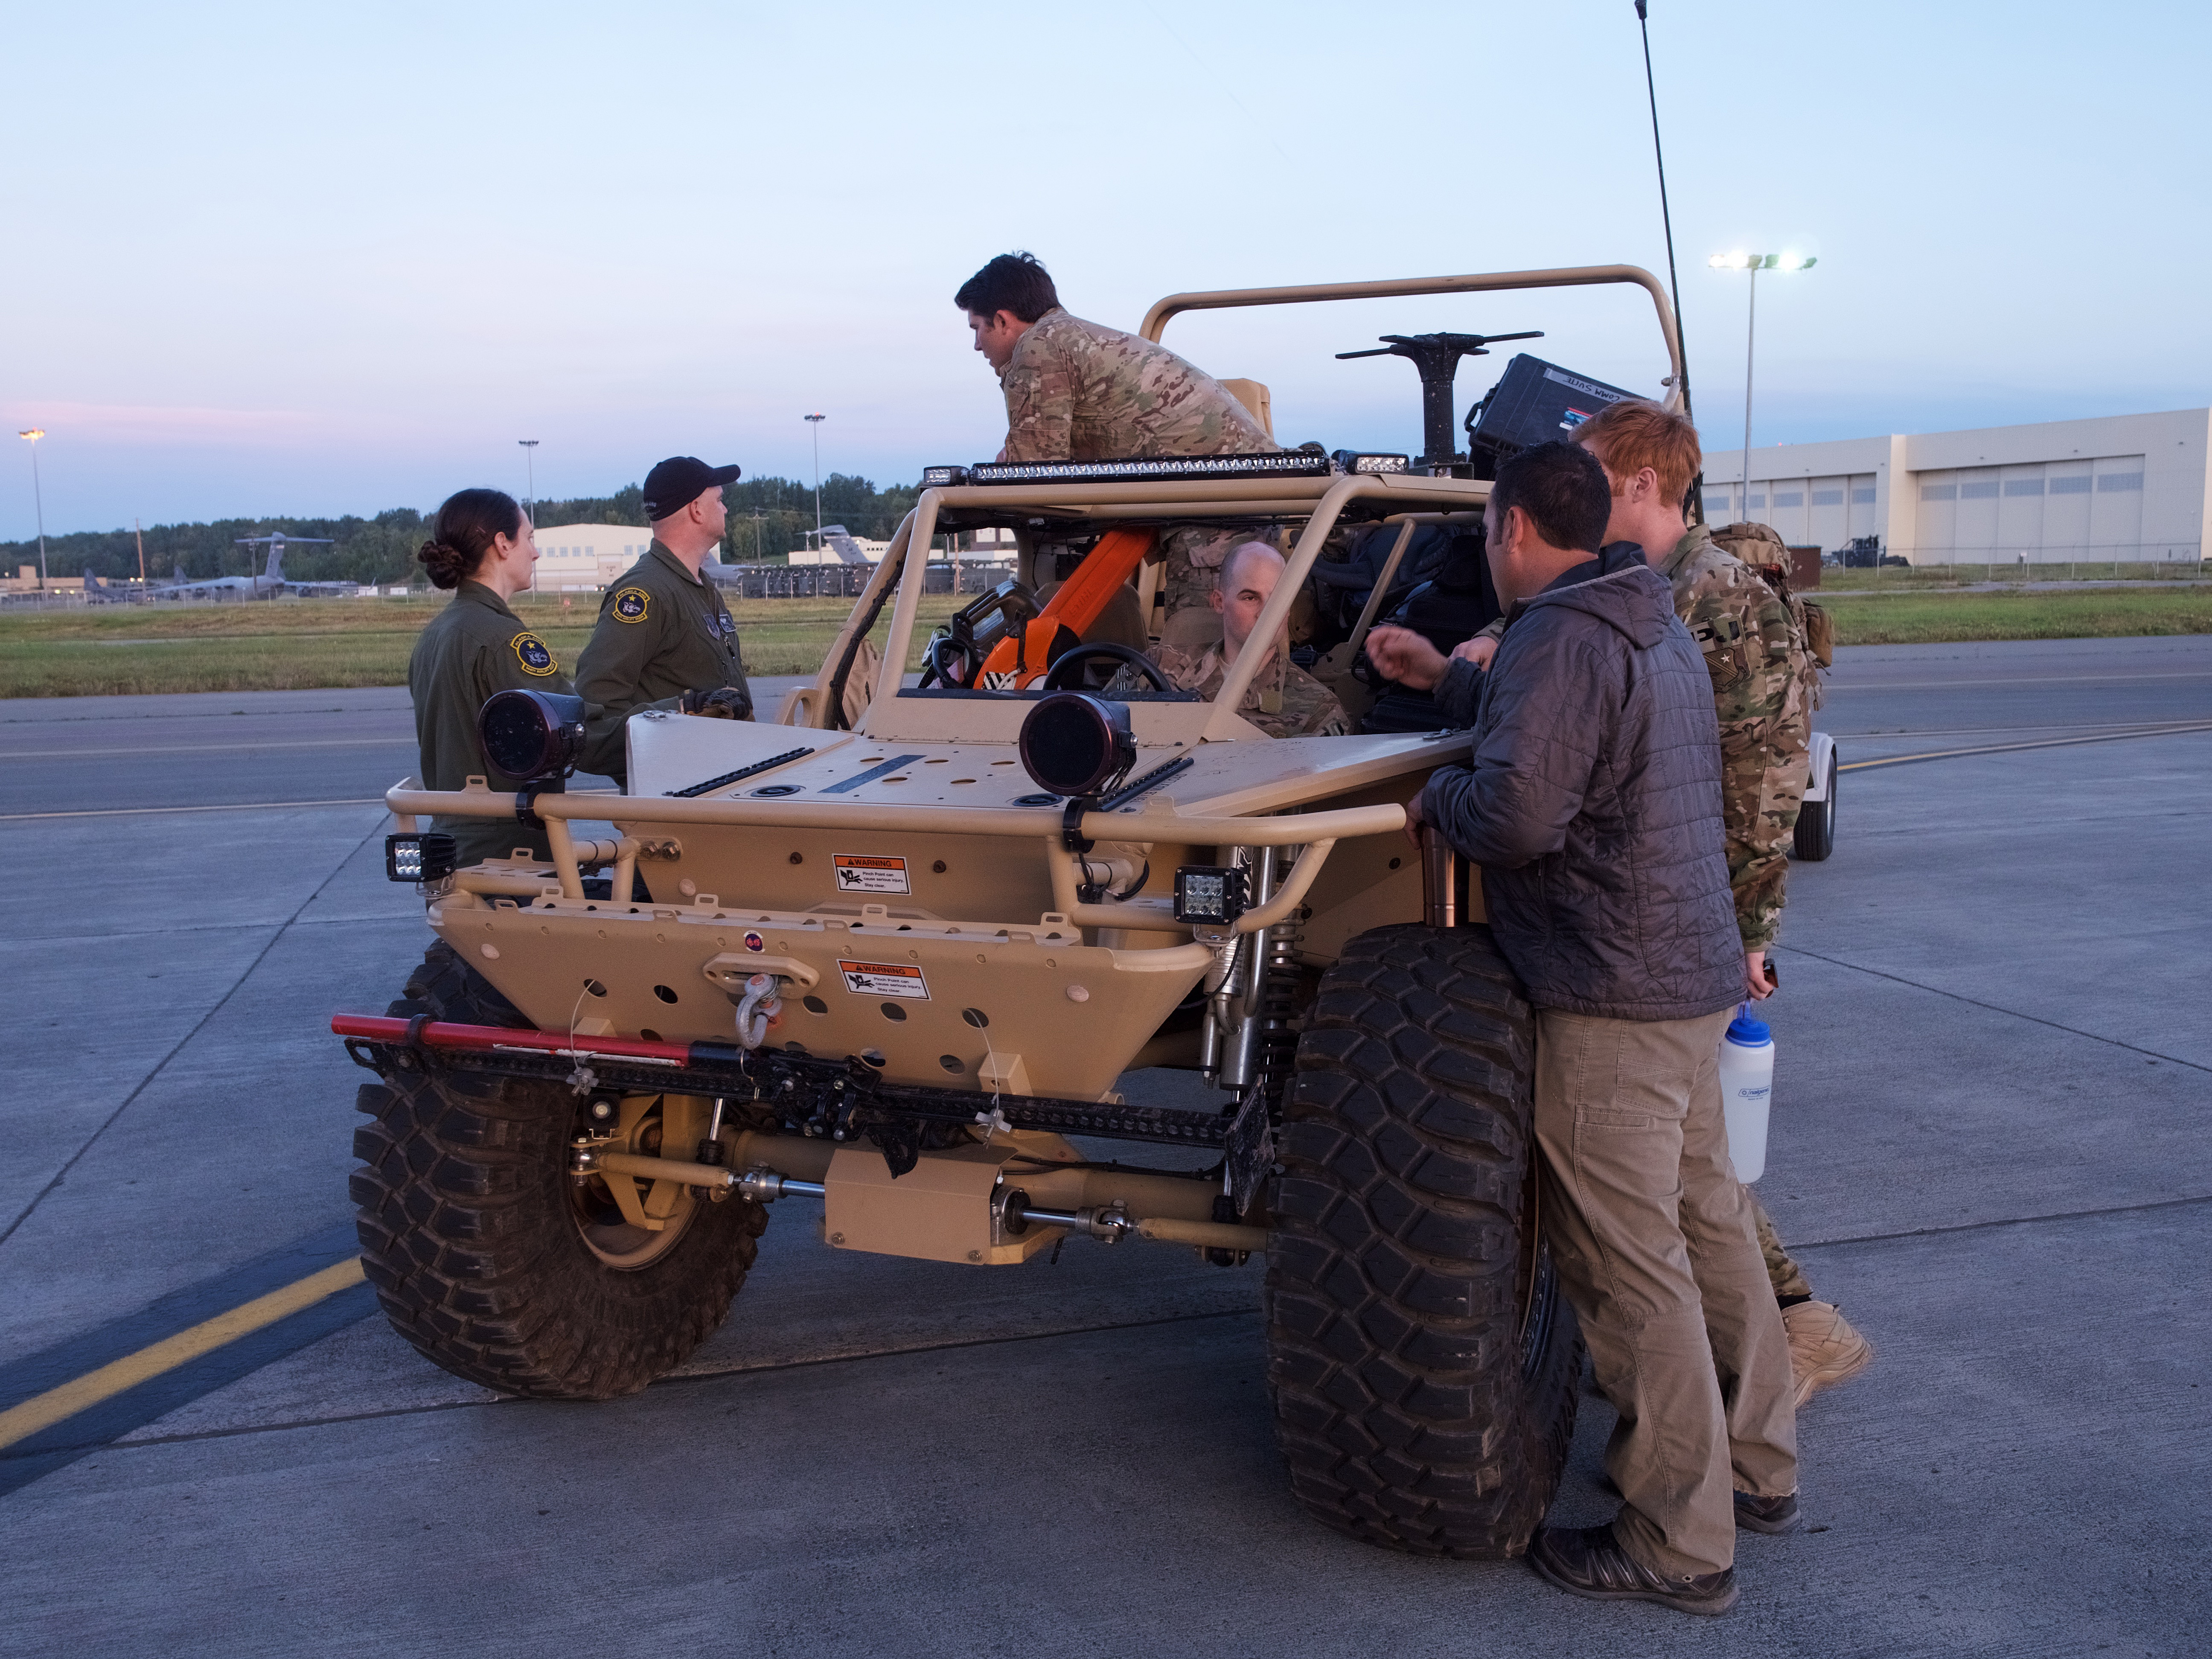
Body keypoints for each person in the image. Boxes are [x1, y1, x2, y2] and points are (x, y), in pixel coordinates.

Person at [1368, 400, 1873, 1409]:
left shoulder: (1705, 597)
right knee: (1684, 1182)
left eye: (1597, 472)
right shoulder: (1645, 593)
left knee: (1651, 1209)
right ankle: (1752, 1414)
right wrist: (1449, 678)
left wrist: (1745, 932)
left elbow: (1760, 783)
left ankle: (1789, 1334)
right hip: (1664, 923)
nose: (1585, 490)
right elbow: (1577, 721)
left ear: (1640, 484)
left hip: (1659, 931)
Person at [1406, 441, 1796, 1617]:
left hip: (1609, 992)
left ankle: (1680, 1539)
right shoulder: (1646, 614)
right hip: (1684, 975)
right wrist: (1451, 678)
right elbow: (1566, 723)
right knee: (1708, 1215)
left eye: (1485, 528)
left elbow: (1520, 811)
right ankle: (1762, 1467)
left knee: (1629, 1265)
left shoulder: (1564, 637)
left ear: (1515, 528)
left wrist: (1438, 799)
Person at [406, 488, 621, 869]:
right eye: (530, 538)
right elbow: (581, 735)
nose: (536, 552)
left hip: (454, 850)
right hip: (510, 861)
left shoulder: (437, 633)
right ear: (503, 544)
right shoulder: (504, 641)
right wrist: (676, 715)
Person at [957, 251, 1276, 464]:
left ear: (1001, 321)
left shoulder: (1041, 347)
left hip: (1223, 491)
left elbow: (1031, 469)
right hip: (1226, 477)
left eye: (977, 329)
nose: (976, 345)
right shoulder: (1066, 337)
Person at [575, 456, 753, 788]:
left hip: (719, 790)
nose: (726, 509)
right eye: (720, 499)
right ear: (697, 510)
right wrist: (684, 709)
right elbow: (593, 726)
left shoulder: (698, 588)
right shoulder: (644, 594)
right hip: (677, 805)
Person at [1118, 541, 1348, 736]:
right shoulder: (1156, 665)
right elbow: (1100, 729)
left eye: (1279, 598)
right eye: (1250, 598)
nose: (1267, 612)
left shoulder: (1318, 707)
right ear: (1219, 602)